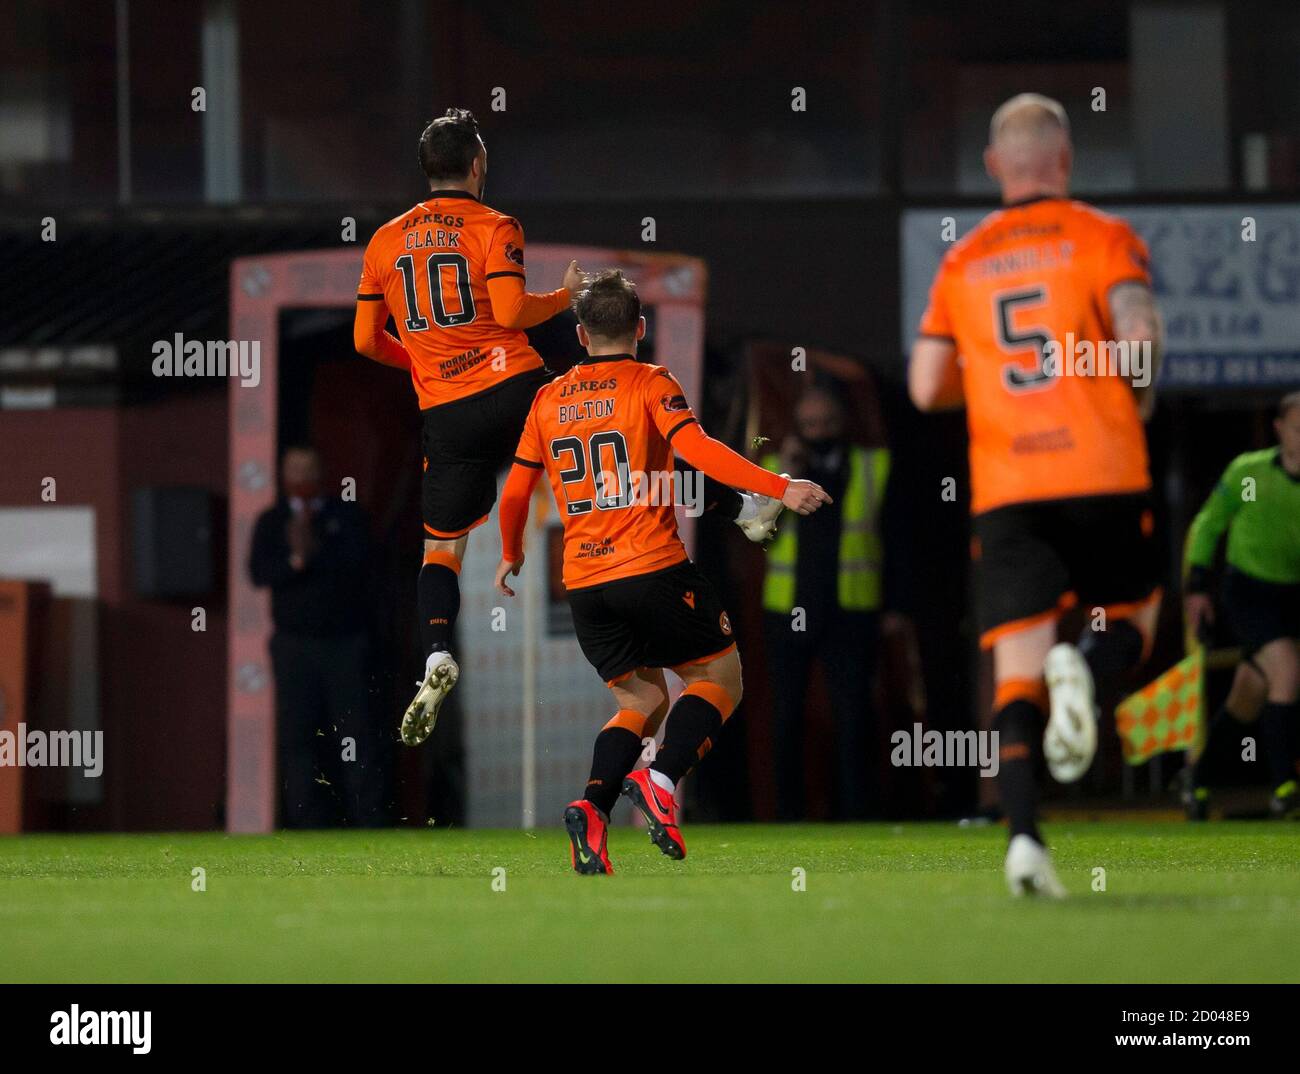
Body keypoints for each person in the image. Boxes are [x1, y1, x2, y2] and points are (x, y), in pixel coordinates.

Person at [909, 93, 1164, 896]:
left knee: (1014, 674)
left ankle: (1024, 843)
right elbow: (1139, 335)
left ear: (994, 166)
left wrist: (985, 382)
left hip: (1010, 486)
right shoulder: (1101, 236)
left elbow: (924, 387)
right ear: (1066, 158)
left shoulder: (964, 259)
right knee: (1139, 614)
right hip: (1104, 470)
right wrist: (1140, 389)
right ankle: (1090, 659)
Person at [493, 270, 829, 874]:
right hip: (650, 566)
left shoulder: (548, 398)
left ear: (579, 334)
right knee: (722, 678)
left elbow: (516, 491)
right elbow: (695, 448)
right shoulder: (650, 381)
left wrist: (511, 552)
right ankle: (662, 779)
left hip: (586, 584)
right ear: (640, 329)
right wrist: (780, 485)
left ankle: (593, 808)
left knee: (641, 700)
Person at [353, 107, 585, 749]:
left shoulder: (383, 240)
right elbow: (511, 311)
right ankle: (736, 507)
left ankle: (435, 652)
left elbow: (366, 341)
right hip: (511, 385)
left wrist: (425, 362)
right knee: (604, 436)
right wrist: (565, 297)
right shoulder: (495, 225)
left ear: (427, 169)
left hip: (447, 413)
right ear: (478, 165)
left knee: (441, 551)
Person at [759, 386, 892, 819]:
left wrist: (895, 609)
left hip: (849, 610)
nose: (819, 433)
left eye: (827, 424)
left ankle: (856, 812)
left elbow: (898, 540)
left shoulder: (875, 466)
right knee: (787, 717)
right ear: (796, 429)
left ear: (844, 425)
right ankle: (788, 816)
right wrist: (786, 477)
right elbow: (754, 533)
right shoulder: (772, 471)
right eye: (809, 425)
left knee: (853, 716)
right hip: (787, 611)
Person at [248, 446, 383, 826]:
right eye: (295, 471)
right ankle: (305, 822)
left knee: (355, 734)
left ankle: (368, 820)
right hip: (294, 647)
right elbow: (259, 573)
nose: (302, 479)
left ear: (321, 472)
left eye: (309, 470)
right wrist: (296, 561)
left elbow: (359, 564)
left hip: (344, 644)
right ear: (281, 473)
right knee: (297, 736)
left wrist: (315, 553)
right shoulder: (272, 522)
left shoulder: (346, 515)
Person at [1182, 392, 1300, 818]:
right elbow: (1208, 525)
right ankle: (1285, 787)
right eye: (1297, 427)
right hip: (1249, 590)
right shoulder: (1248, 473)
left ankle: (1197, 779)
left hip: (1292, 595)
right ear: (1280, 429)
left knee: (1248, 696)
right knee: (1286, 669)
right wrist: (1197, 586)